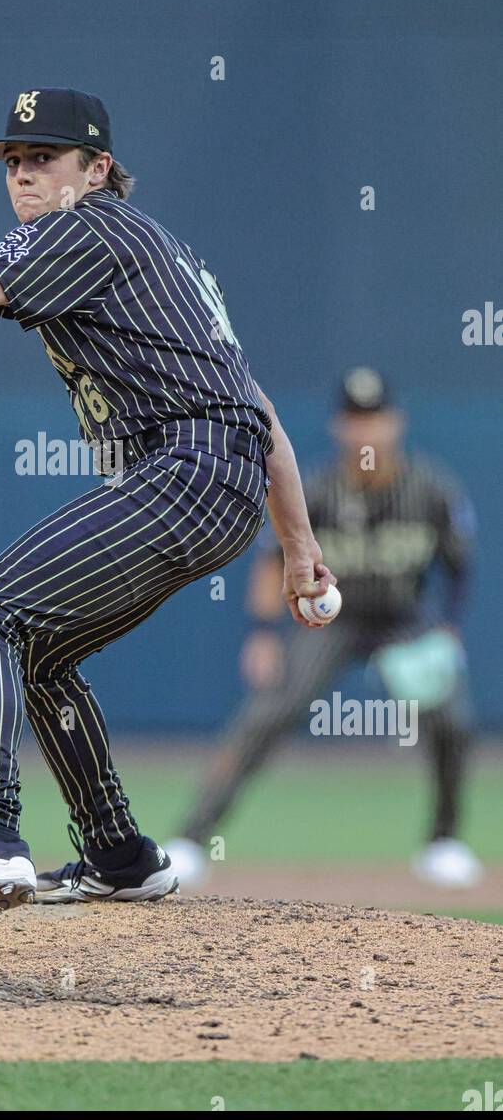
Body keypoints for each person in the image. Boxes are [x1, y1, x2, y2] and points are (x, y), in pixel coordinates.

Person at [0, 86, 334, 912]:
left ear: (98, 168)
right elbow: (261, 413)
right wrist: (296, 549)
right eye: (12, 161)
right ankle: (120, 856)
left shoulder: (87, 227)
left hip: (185, 471)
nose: (22, 175)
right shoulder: (161, 255)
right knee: (38, 654)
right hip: (219, 483)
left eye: (42, 158)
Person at [166, 367, 481, 893]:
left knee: (451, 719)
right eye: (356, 420)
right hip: (330, 622)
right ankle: (193, 841)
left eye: (375, 419)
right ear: (340, 428)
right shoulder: (316, 489)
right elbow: (272, 560)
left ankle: (443, 842)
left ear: (396, 422)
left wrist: (449, 628)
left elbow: (460, 563)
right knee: (268, 713)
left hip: (404, 622)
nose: (366, 433)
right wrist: (262, 633)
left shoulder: (430, 488)